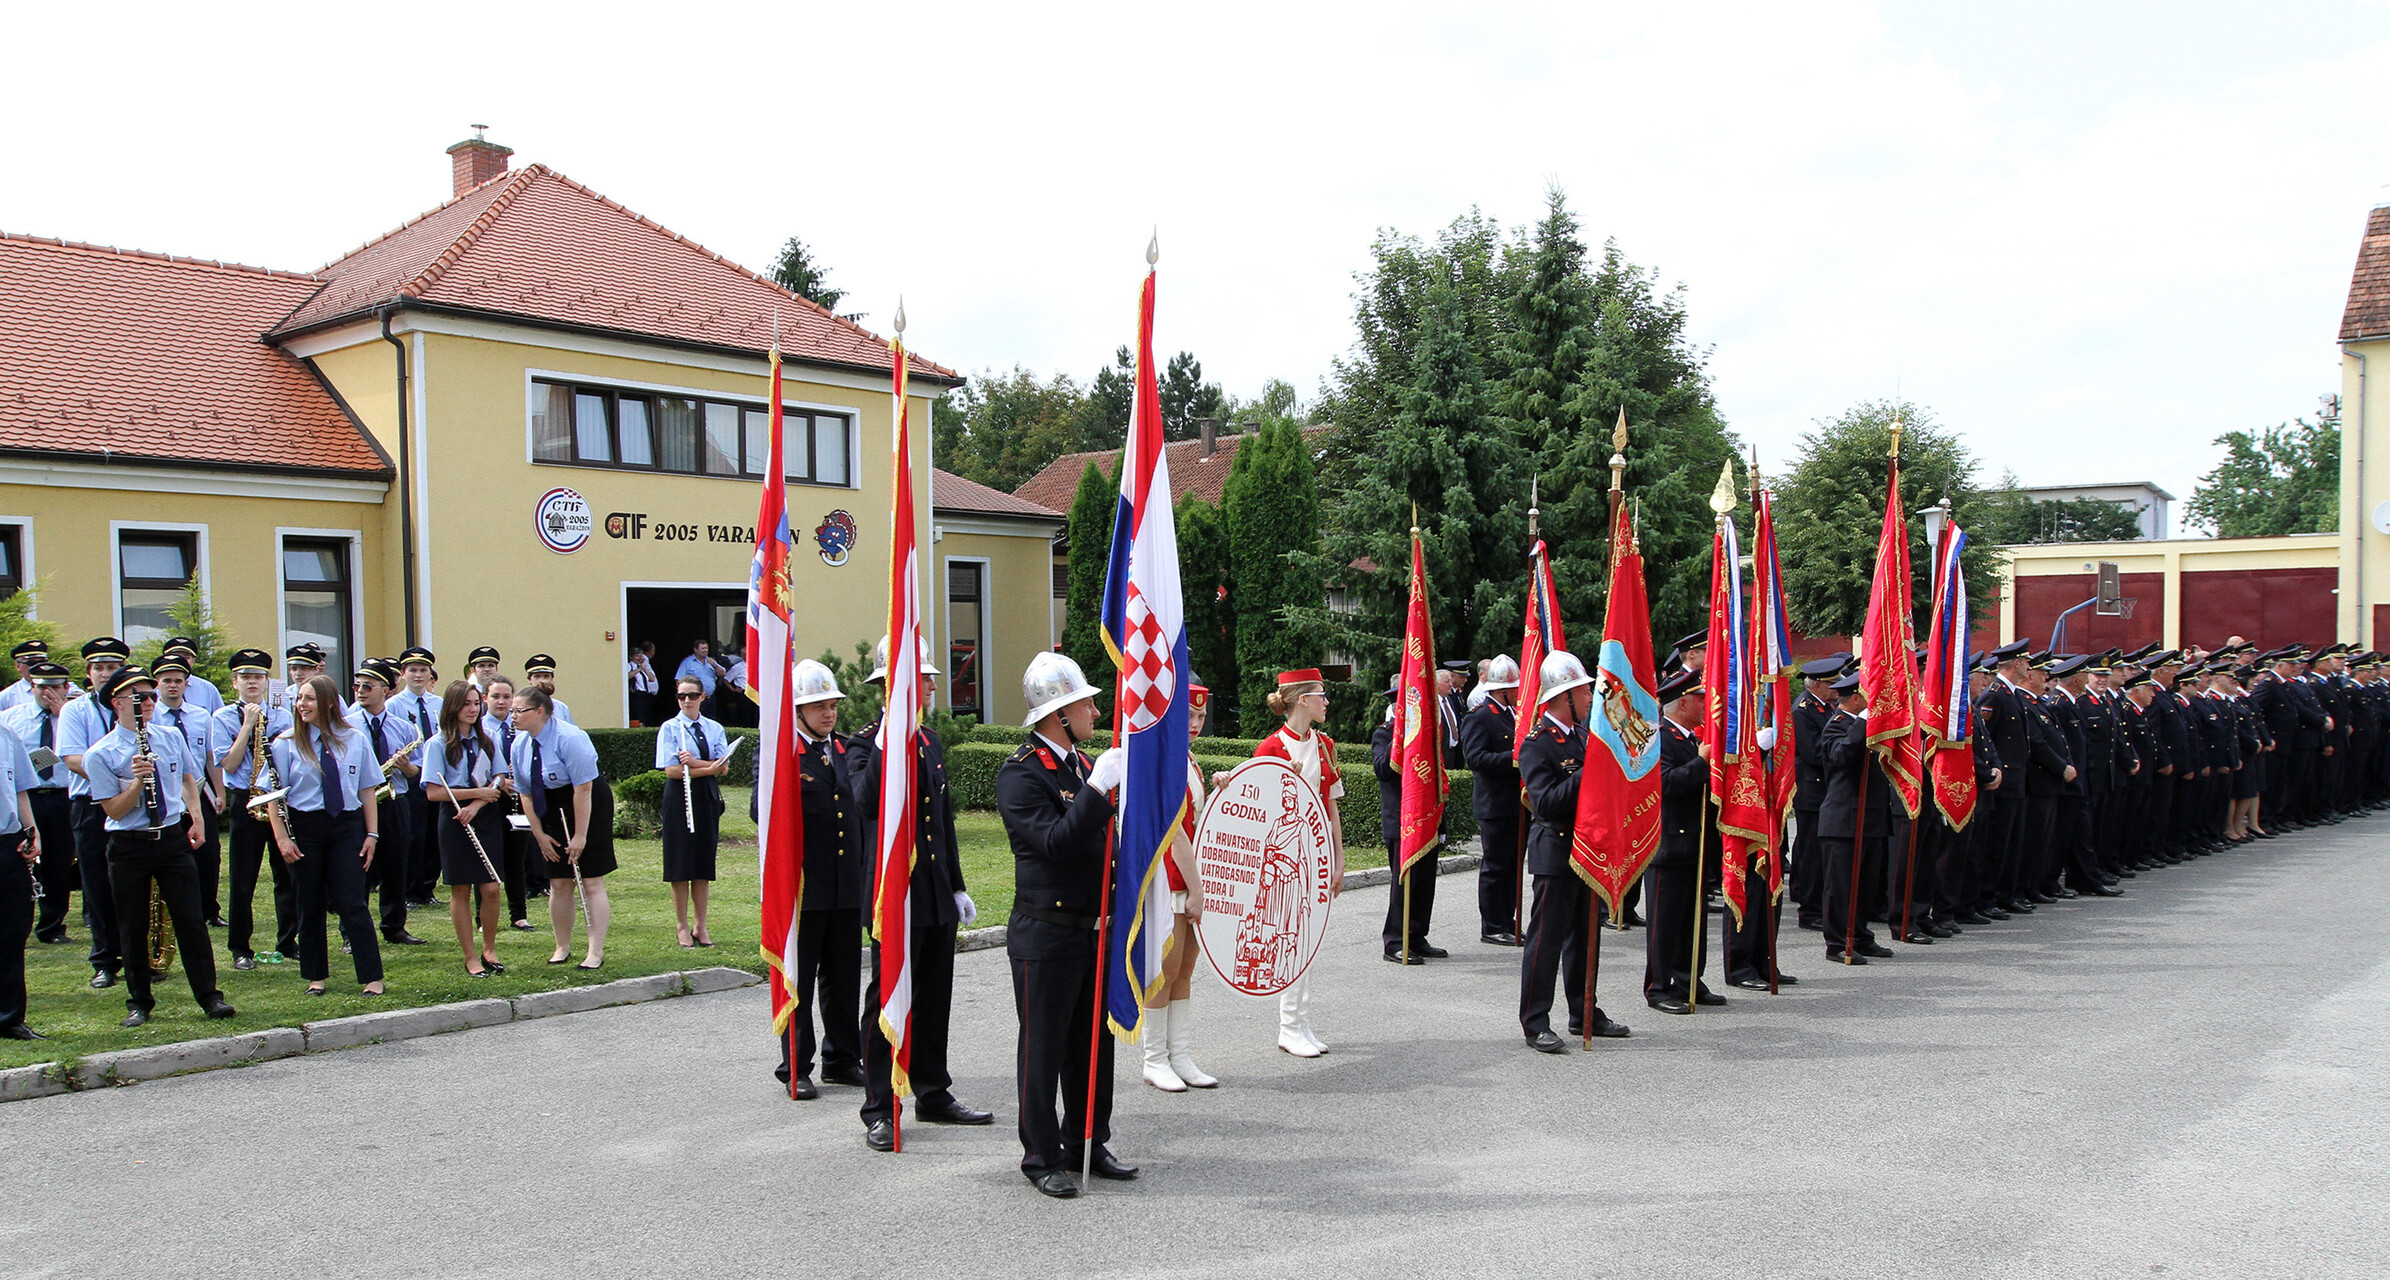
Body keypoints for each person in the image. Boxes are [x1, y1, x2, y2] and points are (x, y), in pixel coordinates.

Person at [999, 652, 1130, 1198]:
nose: (1097, 712)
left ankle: (1086, 1142)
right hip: (1046, 934)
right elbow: (1055, 844)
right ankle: (1041, 1155)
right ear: (1058, 714)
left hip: (1092, 930)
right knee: (1045, 1048)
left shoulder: (1079, 764)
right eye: (1087, 704)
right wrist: (1099, 792)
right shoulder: (1021, 774)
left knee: (1091, 1046)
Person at [855, 637, 992, 1150]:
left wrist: (956, 885)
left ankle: (933, 1092)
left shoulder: (930, 742)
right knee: (887, 997)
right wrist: (889, 737)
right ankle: (879, 1107)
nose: (933, 684)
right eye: (924, 677)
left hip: (933, 891)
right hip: (894, 896)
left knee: (935, 997)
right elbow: (868, 801)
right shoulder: (865, 744)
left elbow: (942, 825)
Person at [80, 665, 235, 1026]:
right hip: (129, 844)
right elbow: (114, 809)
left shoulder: (168, 737)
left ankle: (210, 997)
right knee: (131, 924)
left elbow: (187, 777)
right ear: (118, 703)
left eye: (151, 696)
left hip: (170, 839)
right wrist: (136, 783)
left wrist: (195, 816)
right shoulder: (100, 753)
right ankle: (139, 1001)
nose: (150, 702)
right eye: (141, 697)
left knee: (191, 919)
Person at [1515, 651, 1629, 1053]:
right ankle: (1535, 1021)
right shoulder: (1538, 744)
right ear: (1565, 696)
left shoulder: (1582, 737)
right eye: (1583, 691)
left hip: (1587, 852)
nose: (1589, 698)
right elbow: (1544, 803)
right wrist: (1588, 772)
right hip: (1555, 852)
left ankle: (1585, 1011)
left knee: (1585, 937)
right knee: (1546, 941)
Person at [773, 659, 867, 1100]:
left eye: (831, 705)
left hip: (846, 885)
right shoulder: (781, 753)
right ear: (797, 710)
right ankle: (796, 1063)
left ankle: (843, 1058)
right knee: (801, 978)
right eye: (818, 706)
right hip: (804, 888)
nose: (828, 713)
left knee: (843, 977)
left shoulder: (846, 750)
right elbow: (763, 811)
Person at [262, 674, 385, 998]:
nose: (302, 705)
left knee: (353, 902)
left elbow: (367, 789)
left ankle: (372, 977)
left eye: (309, 698)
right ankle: (315, 976)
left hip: (346, 826)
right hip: (305, 828)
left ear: (329, 702)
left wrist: (371, 833)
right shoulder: (286, 743)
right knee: (309, 901)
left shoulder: (354, 739)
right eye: (299, 699)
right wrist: (282, 838)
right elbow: (273, 796)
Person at [1251, 668, 1346, 1057]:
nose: (1326, 702)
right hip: (1286, 862)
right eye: (1321, 695)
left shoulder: (1325, 745)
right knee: (1289, 939)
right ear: (1302, 699)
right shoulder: (1270, 749)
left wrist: (1338, 860)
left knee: (1307, 942)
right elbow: (1258, 813)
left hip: (1316, 856)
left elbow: (1331, 807)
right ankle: (1289, 1026)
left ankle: (1301, 1023)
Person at [1141, 675, 1217, 1093]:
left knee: (1186, 968)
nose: (1195, 722)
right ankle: (1155, 1059)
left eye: (1202, 715)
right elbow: (1177, 834)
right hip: (1169, 879)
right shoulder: (1165, 758)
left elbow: (1196, 818)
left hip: (1187, 877)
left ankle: (1180, 1054)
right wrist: (1198, 887)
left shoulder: (1187, 759)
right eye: (1188, 714)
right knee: (1166, 970)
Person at [507, 685, 613, 968]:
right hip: (548, 804)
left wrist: (580, 836)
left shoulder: (570, 738)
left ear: (539, 711)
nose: (513, 717)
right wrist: (539, 834)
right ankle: (562, 946)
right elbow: (525, 793)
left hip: (585, 802)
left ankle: (595, 952)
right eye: (511, 711)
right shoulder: (520, 744)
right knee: (558, 880)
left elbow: (584, 790)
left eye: (519, 711)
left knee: (590, 879)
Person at [213, 649, 299, 969]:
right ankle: (240, 947)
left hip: (276, 799)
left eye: (258, 676)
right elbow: (230, 763)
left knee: (287, 874)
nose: (252, 682)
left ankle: (288, 940)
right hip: (244, 800)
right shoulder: (222, 717)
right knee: (242, 877)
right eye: (245, 677)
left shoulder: (282, 715)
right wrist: (247, 726)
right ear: (235, 682)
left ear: (266, 682)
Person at [421, 680, 509, 977]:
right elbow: (433, 792)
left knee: (492, 886)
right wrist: (473, 796)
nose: (473, 710)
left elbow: (498, 777)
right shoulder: (437, 744)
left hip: (483, 815)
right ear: (453, 707)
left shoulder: (487, 740)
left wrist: (479, 802)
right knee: (461, 888)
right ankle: (470, 955)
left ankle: (489, 947)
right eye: (466, 704)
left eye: (476, 704)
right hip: (455, 819)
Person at [1646, 669, 1721, 1013]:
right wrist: (1701, 763)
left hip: (1694, 841)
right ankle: (1659, 986)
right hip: (1668, 844)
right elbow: (1665, 785)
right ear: (1685, 702)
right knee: (1665, 922)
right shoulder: (1659, 738)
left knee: (1693, 918)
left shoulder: (1689, 738)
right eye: (1702, 699)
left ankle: (1689, 978)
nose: (1707, 705)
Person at [58, 636, 130, 989]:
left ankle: (140, 956)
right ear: (88, 674)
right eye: (99, 668)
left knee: (135, 882)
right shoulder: (75, 710)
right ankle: (105, 960)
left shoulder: (137, 704)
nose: (105, 673)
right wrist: (115, 780)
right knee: (97, 884)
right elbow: (71, 758)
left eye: (112, 667)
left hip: (134, 805)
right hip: (90, 806)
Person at [1819, 672, 1896, 964]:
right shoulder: (1837, 726)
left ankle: (1860, 935)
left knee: (1866, 885)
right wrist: (1863, 723)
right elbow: (1841, 757)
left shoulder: (1865, 726)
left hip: (1872, 817)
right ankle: (1837, 942)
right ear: (1855, 699)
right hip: (1844, 820)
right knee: (1840, 886)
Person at [350, 658, 425, 946]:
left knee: (396, 864)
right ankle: (352, 931)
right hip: (359, 802)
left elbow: (419, 771)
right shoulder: (347, 724)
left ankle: (394, 926)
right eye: (358, 685)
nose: (361, 691)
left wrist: (406, 768)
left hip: (395, 799)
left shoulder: (403, 728)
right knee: (359, 869)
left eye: (368, 686)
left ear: (386, 690)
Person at [152, 652, 227, 927]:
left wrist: (220, 792)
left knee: (209, 853)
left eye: (178, 681)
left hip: (198, 791)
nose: (173, 686)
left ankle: (209, 909)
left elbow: (210, 757)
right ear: (157, 684)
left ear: (186, 684)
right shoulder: (150, 718)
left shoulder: (200, 716)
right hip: (165, 794)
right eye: (167, 681)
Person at [1373, 675, 1444, 965]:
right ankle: (1395, 941)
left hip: (1425, 818)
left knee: (1425, 882)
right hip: (1400, 820)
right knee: (1403, 883)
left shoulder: (1427, 736)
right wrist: (1403, 741)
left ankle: (1416, 934)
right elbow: (1381, 768)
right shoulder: (1385, 733)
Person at [4, 662, 77, 944]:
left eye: (56, 687)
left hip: (61, 796)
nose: (49, 693)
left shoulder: (73, 717)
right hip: (26, 797)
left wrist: (63, 715)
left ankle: (52, 925)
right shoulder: (12, 719)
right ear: (31, 687)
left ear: (66, 688)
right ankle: (19, 918)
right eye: (42, 687)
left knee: (59, 862)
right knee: (22, 860)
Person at [658, 676, 728, 949]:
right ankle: (682, 925)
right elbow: (672, 770)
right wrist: (710, 768)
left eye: (692, 695)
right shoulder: (670, 728)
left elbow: (724, 766)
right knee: (680, 864)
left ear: (703, 697)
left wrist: (700, 764)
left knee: (702, 863)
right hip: (679, 797)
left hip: (706, 796)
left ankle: (701, 924)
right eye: (681, 696)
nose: (687, 701)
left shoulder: (713, 728)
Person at [1460, 655, 1524, 946]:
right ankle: (1492, 925)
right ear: (1501, 690)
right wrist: (1512, 759)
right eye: (1514, 688)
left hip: (1514, 804)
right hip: (1495, 804)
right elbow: (1475, 758)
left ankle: (1507, 919)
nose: (1518, 692)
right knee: (1496, 867)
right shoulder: (1480, 716)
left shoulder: (1512, 714)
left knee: (1512, 866)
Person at [1788, 655, 1846, 931]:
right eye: (1832, 684)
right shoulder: (1803, 710)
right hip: (1813, 790)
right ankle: (1809, 909)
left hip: (1825, 789)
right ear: (1818, 686)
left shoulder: (1824, 707)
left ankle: (1820, 905)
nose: (1837, 690)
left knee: (1821, 852)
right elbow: (1814, 751)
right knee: (1811, 852)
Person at [0, 697, 46, 1040]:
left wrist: (32, 831)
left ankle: (10, 1017)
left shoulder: (6, 734)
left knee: (13, 931)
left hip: (8, 842)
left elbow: (20, 791)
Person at [481, 676, 538, 927]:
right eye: (496, 696)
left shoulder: (521, 728)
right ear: (486, 699)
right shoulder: (480, 728)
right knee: (487, 861)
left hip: (517, 799)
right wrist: (498, 781)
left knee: (517, 858)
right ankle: (482, 917)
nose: (501, 702)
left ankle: (519, 915)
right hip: (490, 799)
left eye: (507, 697)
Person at [389, 646, 443, 907]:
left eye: (423, 670)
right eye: (413, 670)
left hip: (435, 774)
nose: (419, 675)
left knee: (434, 833)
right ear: (402, 674)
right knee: (413, 834)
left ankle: (427, 887)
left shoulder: (439, 704)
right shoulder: (394, 705)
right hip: (409, 774)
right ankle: (409, 891)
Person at [676, 640, 726, 721]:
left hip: (710, 698)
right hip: (694, 698)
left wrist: (714, 665)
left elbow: (723, 674)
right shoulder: (687, 662)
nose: (705, 650)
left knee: (710, 721)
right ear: (695, 650)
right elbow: (678, 680)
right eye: (702, 648)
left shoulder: (711, 662)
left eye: (706, 648)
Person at [523, 655, 573, 724]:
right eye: (537, 676)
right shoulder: (521, 708)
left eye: (546, 676)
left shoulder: (561, 708)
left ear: (551, 679)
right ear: (529, 680)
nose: (542, 680)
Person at [626, 642, 661, 726]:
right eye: (637, 656)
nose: (639, 658)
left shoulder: (642, 666)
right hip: (636, 695)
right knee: (637, 716)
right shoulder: (629, 666)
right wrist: (638, 669)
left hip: (645, 694)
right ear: (631, 657)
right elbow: (627, 676)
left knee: (645, 716)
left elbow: (652, 679)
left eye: (641, 655)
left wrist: (644, 668)